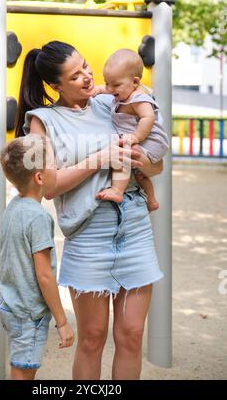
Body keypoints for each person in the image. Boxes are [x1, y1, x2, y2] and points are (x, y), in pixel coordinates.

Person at [15, 40, 164, 380]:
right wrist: (100, 159)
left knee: (132, 336)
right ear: (55, 86)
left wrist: (147, 162)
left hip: (135, 226)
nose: (86, 77)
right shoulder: (40, 121)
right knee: (93, 339)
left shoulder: (114, 101)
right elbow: (46, 186)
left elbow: (156, 165)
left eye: (85, 66)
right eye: (74, 75)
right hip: (88, 236)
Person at [0, 134, 74, 380]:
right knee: (24, 371)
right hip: (30, 312)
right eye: (53, 164)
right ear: (39, 177)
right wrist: (62, 322)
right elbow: (44, 275)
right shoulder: (39, 218)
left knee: (19, 365)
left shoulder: (14, 206)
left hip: (11, 304)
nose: (58, 168)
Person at [95, 48, 169, 211]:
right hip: (147, 145)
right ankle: (151, 199)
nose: (110, 89)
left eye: (115, 85)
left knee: (123, 153)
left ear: (135, 82)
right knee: (139, 174)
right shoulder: (123, 92)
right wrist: (98, 90)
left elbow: (148, 118)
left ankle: (117, 190)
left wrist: (136, 137)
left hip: (151, 141)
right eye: (107, 83)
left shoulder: (139, 99)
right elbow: (105, 89)